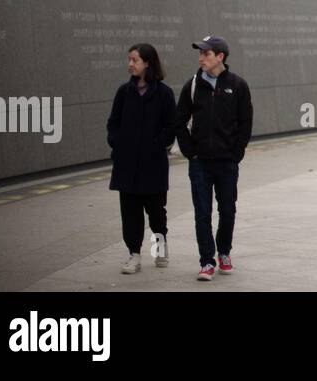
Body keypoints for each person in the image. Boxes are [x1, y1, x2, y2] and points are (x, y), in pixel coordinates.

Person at [175, 35, 253, 282]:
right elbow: (179, 120)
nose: (201, 58)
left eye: (206, 54)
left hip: (226, 162)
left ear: (220, 56)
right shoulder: (192, 85)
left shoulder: (238, 85)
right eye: (200, 53)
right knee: (202, 213)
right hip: (200, 162)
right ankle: (207, 261)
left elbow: (245, 123)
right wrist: (190, 151)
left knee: (227, 210)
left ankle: (224, 252)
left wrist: (236, 153)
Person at [106, 43, 177, 274]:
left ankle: (159, 250)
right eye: (129, 59)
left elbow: (171, 126)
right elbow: (113, 123)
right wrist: (118, 144)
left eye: (134, 60)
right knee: (130, 213)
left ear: (147, 62)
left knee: (156, 213)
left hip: (153, 165)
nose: (130, 64)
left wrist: (157, 145)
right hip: (126, 165)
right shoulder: (124, 92)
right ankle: (134, 255)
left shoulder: (164, 93)